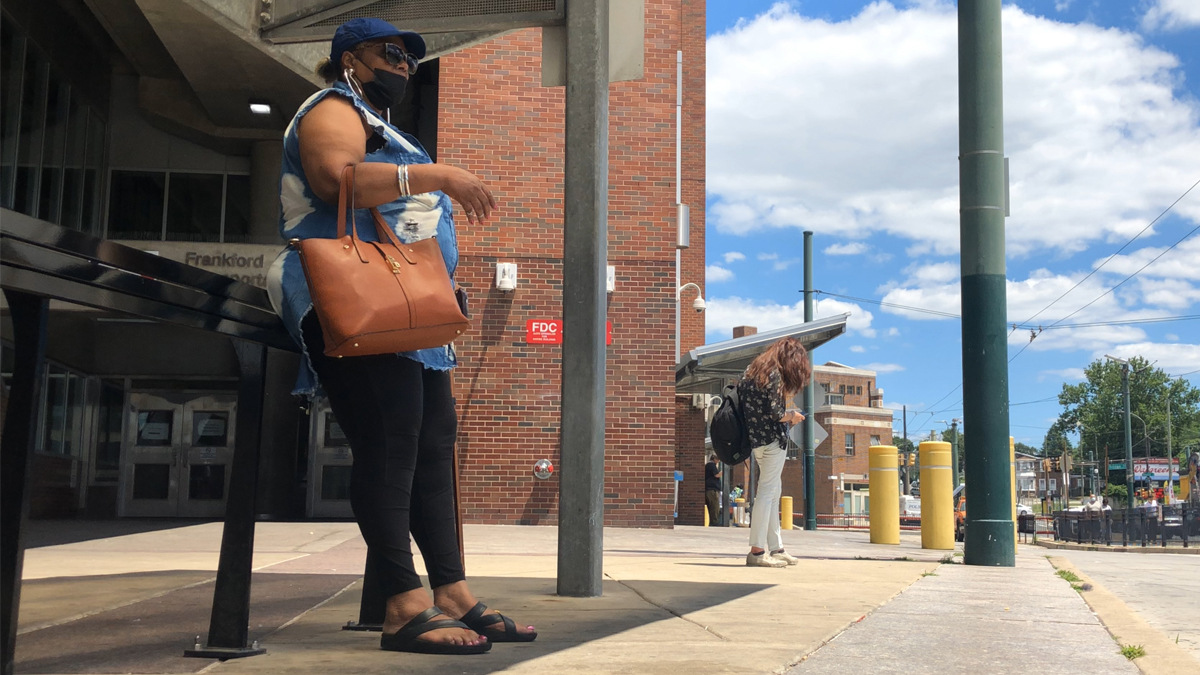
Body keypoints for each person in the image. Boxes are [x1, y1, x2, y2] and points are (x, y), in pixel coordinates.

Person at [266, 18, 532, 655]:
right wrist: (437, 176)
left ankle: (451, 591)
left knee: (432, 443)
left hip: (406, 307)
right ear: (350, 58)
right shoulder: (332, 107)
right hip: (353, 294)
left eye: (412, 59)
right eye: (391, 54)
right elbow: (336, 181)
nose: (405, 66)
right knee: (390, 443)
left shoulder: (382, 124)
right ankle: (402, 605)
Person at [737, 337, 811, 568]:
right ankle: (757, 551)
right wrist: (793, 416)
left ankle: (777, 548)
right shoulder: (775, 374)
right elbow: (776, 413)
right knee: (767, 493)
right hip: (773, 441)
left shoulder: (751, 371)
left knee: (772, 492)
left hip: (756, 441)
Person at [705, 454, 722, 525]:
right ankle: (714, 523)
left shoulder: (707, 465)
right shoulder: (712, 465)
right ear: (715, 459)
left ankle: (712, 522)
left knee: (711, 507)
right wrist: (722, 472)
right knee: (715, 508)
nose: (718, 461)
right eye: (718, 459)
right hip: (712, 490)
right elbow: (716, 475)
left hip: (708, 489)